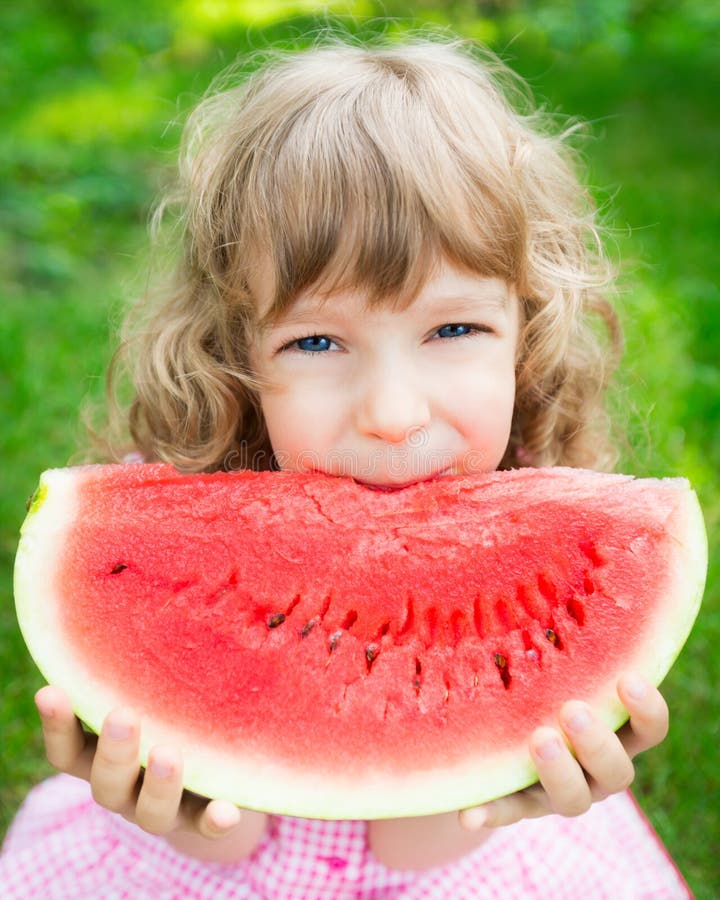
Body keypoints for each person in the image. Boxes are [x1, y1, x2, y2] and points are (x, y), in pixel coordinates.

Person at [1, 33, 691, 898]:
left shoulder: (544, 514)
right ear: (235, 351)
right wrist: (180, 813)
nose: (394, 415)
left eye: (453, 330)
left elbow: (416, 841)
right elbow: (225, 830)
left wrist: (495, 782)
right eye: (317, 340)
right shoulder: (161, 524)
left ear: (528, 330)